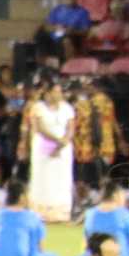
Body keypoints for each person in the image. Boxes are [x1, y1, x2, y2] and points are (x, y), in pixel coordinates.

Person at [26, 82, 76, 223]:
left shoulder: (67, 108)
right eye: (55, 91)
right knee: (43, 179)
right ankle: (40, 213)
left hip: (63, 149)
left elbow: (71, 127)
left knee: (62, 179)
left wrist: (63, 142)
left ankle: (61, 214)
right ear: (47, 93)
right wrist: (56, 140)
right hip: (44, 147)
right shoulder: (38, 108)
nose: (58, 94)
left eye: (60, 92)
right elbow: (39, 128)